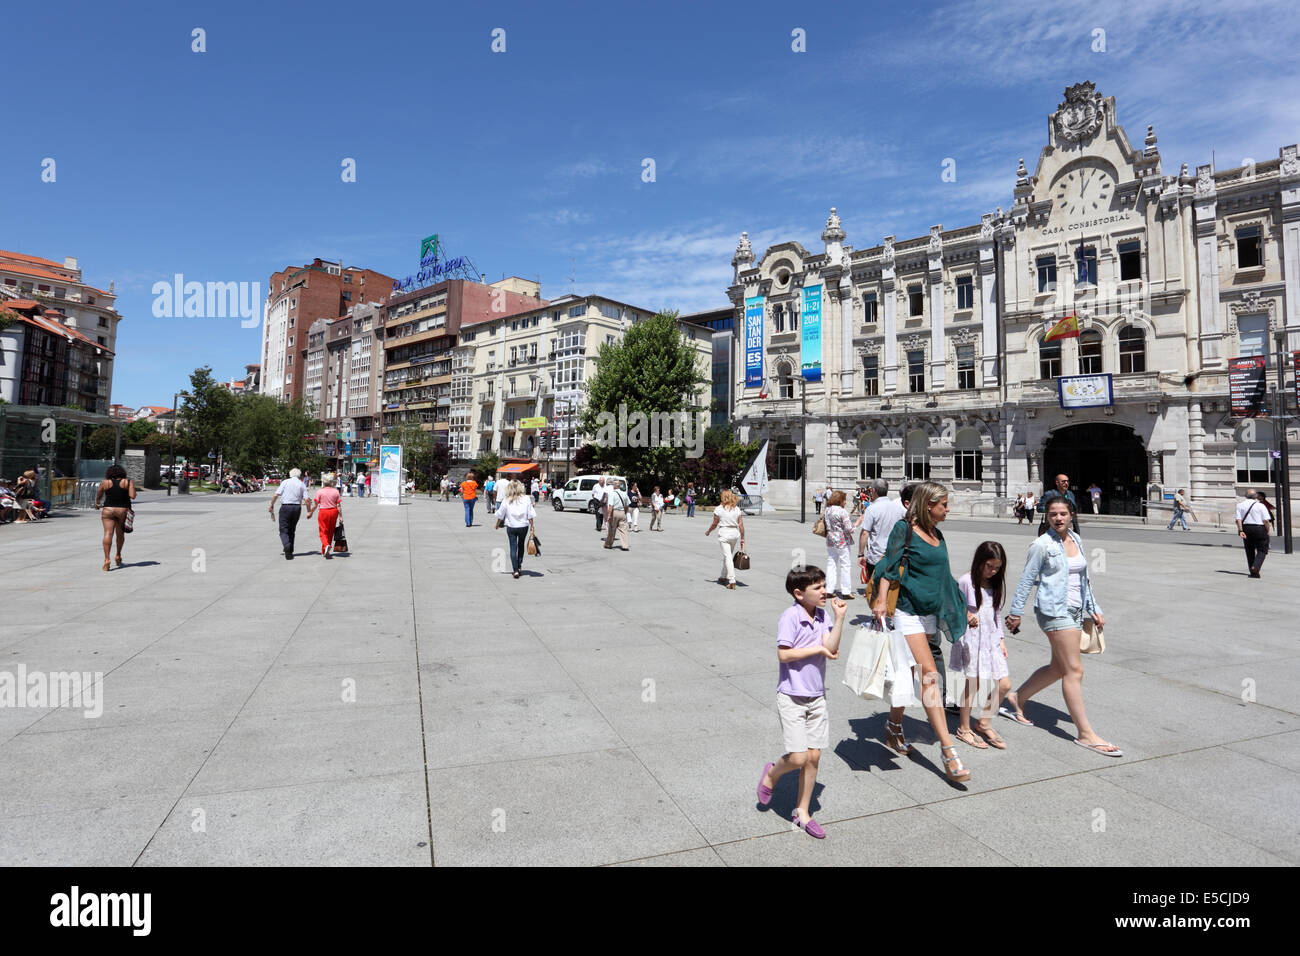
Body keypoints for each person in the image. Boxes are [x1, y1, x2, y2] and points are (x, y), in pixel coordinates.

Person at [871, 481, 978, 783]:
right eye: (943, 504)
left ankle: (893, 727)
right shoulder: (902, 531)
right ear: (927, 504)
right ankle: (949, 751)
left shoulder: (937, 535)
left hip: (930, 613)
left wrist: (961, 608)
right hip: (907, 612)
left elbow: (944, 576)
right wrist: (881, 602)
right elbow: (889, 569)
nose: (948, 508)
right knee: (929, 674)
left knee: (908, 676)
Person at [1003, 498, 1120, 756]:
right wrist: (1015, 612)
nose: (1058, 518)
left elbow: (1084, 580)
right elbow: (1026, 580)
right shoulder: (1041, 545)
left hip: (1077, 611)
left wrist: (1094, 607)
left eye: (1063, 514)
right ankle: (1086, 734)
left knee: (1058, 668)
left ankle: (1016, 698)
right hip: (1054, 611)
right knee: (1074, 670)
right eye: (1053, 514)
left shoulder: (1076, 539)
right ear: (1046, 517)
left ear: (1071, 515)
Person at [755, 567, 847, 839]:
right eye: (817, 587)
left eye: (824, 585)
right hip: (792, 696)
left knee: (814, 756)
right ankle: (772, 775)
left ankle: (802, 812)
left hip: (817, 696)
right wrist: (817, 649)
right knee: (798, 757)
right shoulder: (790, 617)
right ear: (798, 593)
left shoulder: (822, 615)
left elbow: (830, 647)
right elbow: (784, 655)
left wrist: (840, 619)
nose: (824, 591)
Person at [951, 542, 1011, 751]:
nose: (993, 571)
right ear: (979, 562)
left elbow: (996, 614)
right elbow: (955, 606)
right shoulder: (966, 581)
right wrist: (967, 615)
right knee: (972, 685)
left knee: (1004, 684)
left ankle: (984, 722)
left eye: (997, 568)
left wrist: (1001, 639)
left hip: (991, 639)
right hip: (973, 639)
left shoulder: (995, 583)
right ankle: (964, 728)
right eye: (989, 566)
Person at [858, 478, 905, 591]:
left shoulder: (871, 509)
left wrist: (861, 554)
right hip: (895, 554)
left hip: (876, 555)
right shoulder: (898, 509)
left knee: (876, 589)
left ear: (873, 490)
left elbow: (865, 533)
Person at [94, 464, 136, 571]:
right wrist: (130, 488)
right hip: (123, 510)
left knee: (108, 533)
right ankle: (118, 555)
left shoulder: (105, 482)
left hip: (108, 509)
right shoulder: (128, 482)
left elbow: (99, 493)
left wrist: (98, 503)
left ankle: (107, 559)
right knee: (120, 534)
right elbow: (133, 496)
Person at [705, 489, 746, 589]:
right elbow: (741, 525)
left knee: (728, 557)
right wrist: (743, 538)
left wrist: (709, 531)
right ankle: (723, 577)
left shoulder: (719, 509)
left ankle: (732, 580)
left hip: (724, 535)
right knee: (727, 555)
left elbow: (715, 523)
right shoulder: (736, 509)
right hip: (734, 535)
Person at [496, 479, 537, 578]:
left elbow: (500, 514)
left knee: (513, 547)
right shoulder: (526, 498)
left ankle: (515, 570)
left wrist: (497, 524)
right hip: (523, 526)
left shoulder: (507, 499)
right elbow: (530, 514)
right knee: (521, 545)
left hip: (511, 526)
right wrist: (532, 526)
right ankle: (519, 565)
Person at [822, 490, 856, 601]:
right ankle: (846, 591)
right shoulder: (842, 511)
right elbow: (849, 529)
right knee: (845, 565)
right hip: (842, 541)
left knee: (831, 563)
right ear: (840, 500)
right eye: (844, 500)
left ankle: (829, 589)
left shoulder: (827, 510)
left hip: (830, 540)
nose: (845, 502)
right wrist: (857, 524)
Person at [269, 468, 308, 559]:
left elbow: (276, 495)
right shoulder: (301, 484)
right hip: (297, 508)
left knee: (283, 529)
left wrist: (271, 505)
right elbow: (306, 499)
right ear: (299, 475)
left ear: (290, 474)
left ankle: (286, 544)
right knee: (292, 529)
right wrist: (309, 510)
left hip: (285, 507)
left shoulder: (285, 482)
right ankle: (289, 552)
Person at [1235, 489, 1273, 578]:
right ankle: (1255, 567)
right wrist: (1267, 531)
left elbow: (1238, 520)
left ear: (1245, 496)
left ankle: (1253, 572)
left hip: (1246, 528)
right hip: (1259, 528)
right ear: (1256, 496)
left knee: (1249, 550)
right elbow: (1266, 521)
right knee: (1262, 549)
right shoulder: (1261, 506)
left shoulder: (1240, 505)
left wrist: (1241, 530)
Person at [307, 475, 342, 558]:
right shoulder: (336, 491)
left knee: (323, 531)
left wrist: (310, 512)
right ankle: (325, 551)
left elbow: (315, 505)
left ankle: (327, 545)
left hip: (323, 512)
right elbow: (339, 505)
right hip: (334, 512)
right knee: (330, 531)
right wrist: (340, 517)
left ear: (323, 482)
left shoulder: (320, 491)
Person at [603, 480, 631, 551]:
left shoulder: (612, 493)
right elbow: (627, 505)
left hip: (614, 512)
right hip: (622, 512)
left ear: (614, 486)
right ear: (620, 486)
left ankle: (608, 544)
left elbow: (611, 505)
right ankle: (625, 545)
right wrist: (625, 512)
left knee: (612, 529)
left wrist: (609, 515)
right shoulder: (624, 493)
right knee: (623, 530)